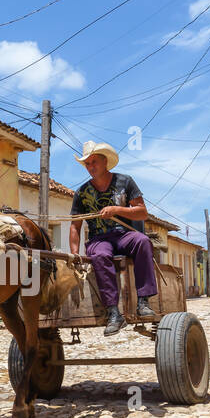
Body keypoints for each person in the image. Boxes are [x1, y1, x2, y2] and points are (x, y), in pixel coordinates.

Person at [68, 141, 157, 335]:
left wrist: (117, 210)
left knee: (142, 241)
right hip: (98, 239)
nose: (91, 167)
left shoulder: (125, 182)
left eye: (94, 162)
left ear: (105, 161)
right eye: (87, 164)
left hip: (124, 235)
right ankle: (114, 313)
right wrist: (75, 254)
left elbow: (142, 213)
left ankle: (143, 302)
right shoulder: (81, 193)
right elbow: (75, 226)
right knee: (100, 255)